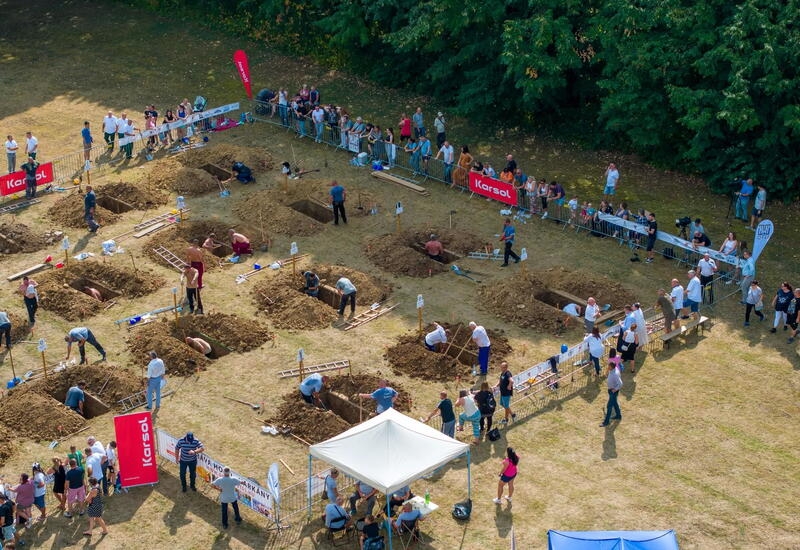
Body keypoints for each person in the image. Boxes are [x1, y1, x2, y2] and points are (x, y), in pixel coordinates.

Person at [600, 362, 623, 427]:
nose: (608, 367)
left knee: (609, 406)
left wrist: (615, 389)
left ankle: (606, 422)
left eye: (609, 366)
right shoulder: (613, 370)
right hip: (611, 390)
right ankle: (618, 416)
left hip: (613, 392)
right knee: (615, 403)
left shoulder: (615, 374)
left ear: (611, 367)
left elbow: (620, 384)